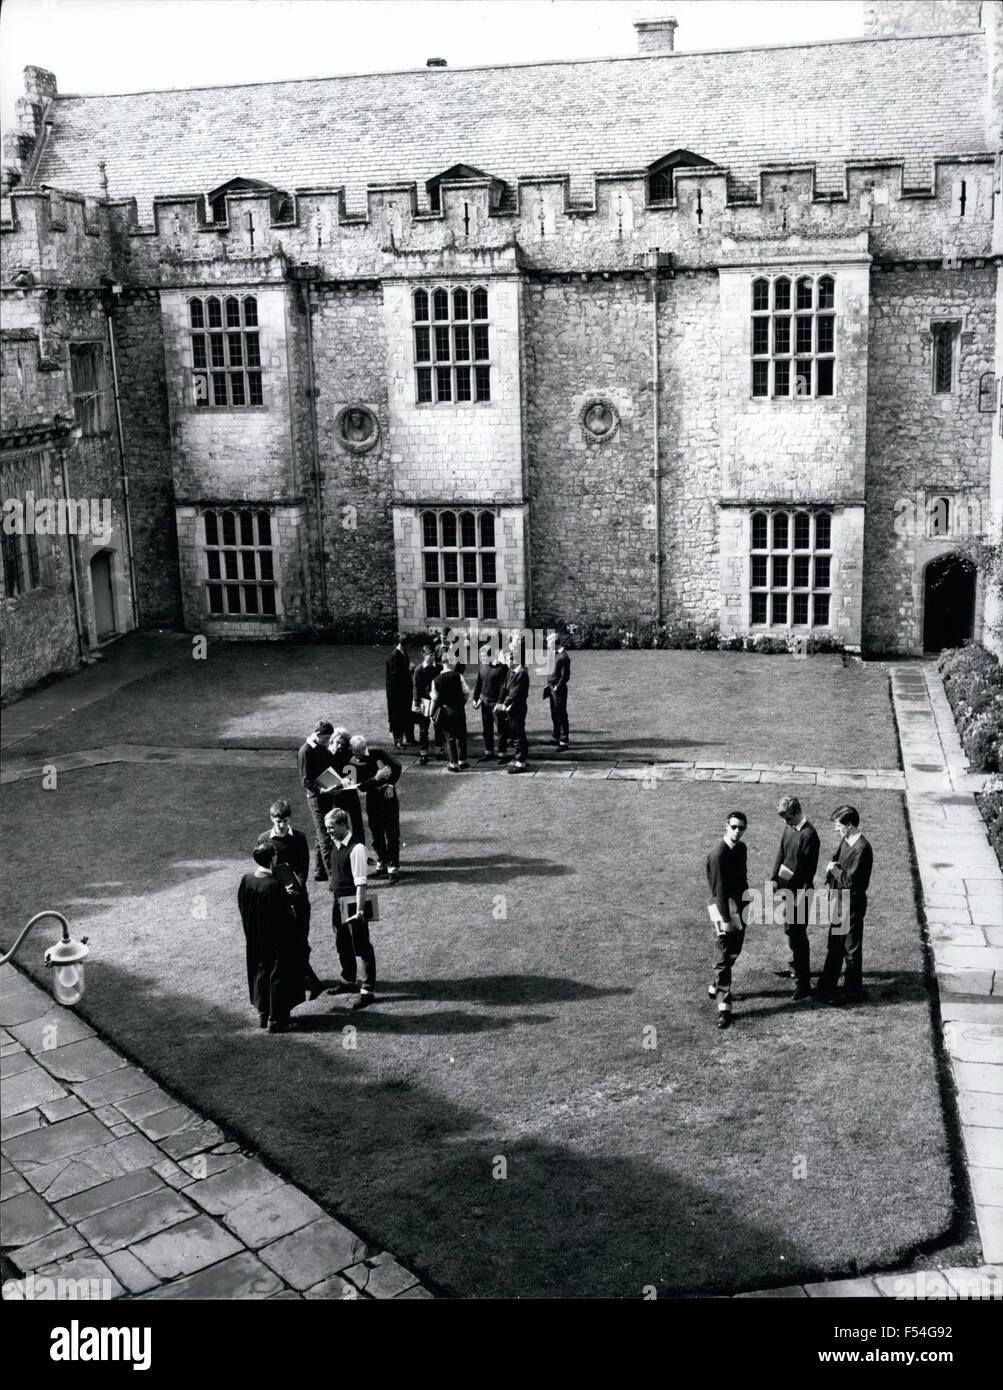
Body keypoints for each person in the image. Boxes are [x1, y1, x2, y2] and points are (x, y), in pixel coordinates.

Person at [256, 800, 324, 999]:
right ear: (271, 819)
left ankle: (306, 979)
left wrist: (296, 886)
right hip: (277, 901)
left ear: (289, 818)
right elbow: (264, 867)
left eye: (285, 821)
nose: (282, 825)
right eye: (278, 821)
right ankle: (309, 981)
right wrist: (278, 890)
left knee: (301, 942)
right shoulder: (263, 839)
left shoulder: (299, 838)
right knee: (288, 944)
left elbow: (303, 867)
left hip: (298, 899)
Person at [237, 841, 306, 1033]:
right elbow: (286, 917)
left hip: (254, 938)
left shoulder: (247, 880)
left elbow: (243, 907)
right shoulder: (274, 886)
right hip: (276, 941)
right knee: (277, 976)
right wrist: (289, 897)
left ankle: (262, 1014)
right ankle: (277, 1019)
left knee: (260, 973)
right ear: (273, 859)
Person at [815, 805, 874, 1005]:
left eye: (839, 826)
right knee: (834, 945)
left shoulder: (862, 849)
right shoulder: (846, 840)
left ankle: (852, 993)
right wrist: (833, 869)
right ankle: (827, 985)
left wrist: (833, 870)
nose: (836, 829)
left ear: (849, 826)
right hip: (839, 903)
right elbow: (835, 859)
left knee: (851, 949)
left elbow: (850, 882)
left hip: (852, 906)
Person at [769, 794, 821, 1001]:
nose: (785, 822)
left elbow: (805, 872)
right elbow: (780, 853)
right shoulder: (789, 828)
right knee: (790, 930)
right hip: (787, 888)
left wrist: (786, 887)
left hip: (800, 892)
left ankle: (803, 983)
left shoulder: (810, 835)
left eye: (788, 818)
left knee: (798, 936)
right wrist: (774, 879)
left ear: (797, 812)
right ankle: (794, 967)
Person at [324, 807, 376, 1010]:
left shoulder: (356, 849)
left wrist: (360, 911)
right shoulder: (335, 843)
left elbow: (361, 884)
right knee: (342, 941)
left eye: (331, 827)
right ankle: (348, 980)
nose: (328, 831)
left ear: (343, 825)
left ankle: (367, 990)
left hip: (353, 903)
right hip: (338, 902)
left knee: (361, 946)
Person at [705, 811, 750, 1030]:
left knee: (734, 950)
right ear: (726, 826)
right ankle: (724, 1007)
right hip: (722, 909)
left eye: (741, 828)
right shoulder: (717, 854)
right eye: (733, 827)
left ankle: (715, 986)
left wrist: (746, 905)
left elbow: (743, 878)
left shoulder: (741, 849)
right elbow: (718, 890)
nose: (737, 831)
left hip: (739, 908)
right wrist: (725, 919)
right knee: (723, 955)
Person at [349, 735, 403, 883]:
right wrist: (376, 778)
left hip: (387, 794)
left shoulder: (378, 753)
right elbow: (361, 787)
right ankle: (383, 860)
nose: (357, 754)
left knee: (392, 832)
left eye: (359, 750)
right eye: (354, 751)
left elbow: (397, 766)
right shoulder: (353, 762)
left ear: (364, 747)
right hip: (372, 797)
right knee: (376, 831)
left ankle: (393, 866)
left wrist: (391, 784)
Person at [297, 719, 339, 881]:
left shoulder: (321, 747)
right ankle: (332, 876)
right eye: (326, 738)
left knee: (320, 834)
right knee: (325, 836)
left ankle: (319, 871)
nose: (328, 741)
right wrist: (322, 789)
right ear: (318, 734)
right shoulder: (305, 751)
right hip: (316, 797)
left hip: (325, 793)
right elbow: (305, 781)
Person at [430, 652, 470, 771]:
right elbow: (466, 692)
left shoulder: (435, 680)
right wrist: (462, 703)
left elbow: (434, 699)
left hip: (445, 711)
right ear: (451, 662)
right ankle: (463, 761)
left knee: (450, 737)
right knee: (462, 736)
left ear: (442, 663)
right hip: (458, 709)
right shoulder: (458, 676)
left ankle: (453, 764)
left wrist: (432, 714)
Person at [329, 726, 367, 846]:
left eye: (343, 743)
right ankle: (341, 851)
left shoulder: (347, 752)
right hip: (337, 794)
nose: (340, 746)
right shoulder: (327, 754)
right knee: (338, 823)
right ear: (332, 740)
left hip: (350, 791)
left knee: (358, 823)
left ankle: (362, 852)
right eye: (338, 742)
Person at [472, 639, 508, 762]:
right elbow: (478, 684)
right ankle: (489, 752)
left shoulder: (502, 669)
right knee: (487, 729)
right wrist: (475, 698)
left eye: (483, 656)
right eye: (480, 656)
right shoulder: (482, 667)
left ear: (491, 655)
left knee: (501, 730)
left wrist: (500, 702)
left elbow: (504, 687)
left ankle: (502, 754)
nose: (481, 659)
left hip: (496, 704)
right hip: (485, 703)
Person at [413, 646, 446, 766]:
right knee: (423, 729)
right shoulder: (419, 670)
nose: (432, 657)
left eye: (433, 655)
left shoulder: (439, 668)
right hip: (424, 702)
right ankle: (423, 753)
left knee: (439, 727)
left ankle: (439, 751)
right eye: (429, 655)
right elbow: (416, 688)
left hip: (437, 702)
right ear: (424, 655)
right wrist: (416, 704)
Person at [499, 647, 530, 773]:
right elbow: (505, 688)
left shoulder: (521, 673)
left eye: (507, 659)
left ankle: (520, 763)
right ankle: (523, 758)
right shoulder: (510, 671)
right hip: (511, 708)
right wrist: (500, 702)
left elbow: (514, 693)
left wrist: (504, 703)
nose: (506, 662)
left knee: (517, 734)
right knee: (517, 734)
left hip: (518, 708)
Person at [385, 634, 414, 750]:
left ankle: (409, 738)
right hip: (396, 694)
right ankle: (398, 740)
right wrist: (409, 671)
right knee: (397, 717)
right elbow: (395, 676)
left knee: (407, 715)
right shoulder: (393, 657)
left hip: (405, 691)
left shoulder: (403, 654)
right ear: (404, 644)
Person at [544, 633, 571, 751]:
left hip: (558, 689)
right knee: (554, 713)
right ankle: (556, 736)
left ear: (555, 643)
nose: (547, 645)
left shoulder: (563, 657)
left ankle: (564, 741)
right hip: (551, 687)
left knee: (561, 714)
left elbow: (565, 676)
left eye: (549, 643)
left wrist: (557, 686)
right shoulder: (554, 654)